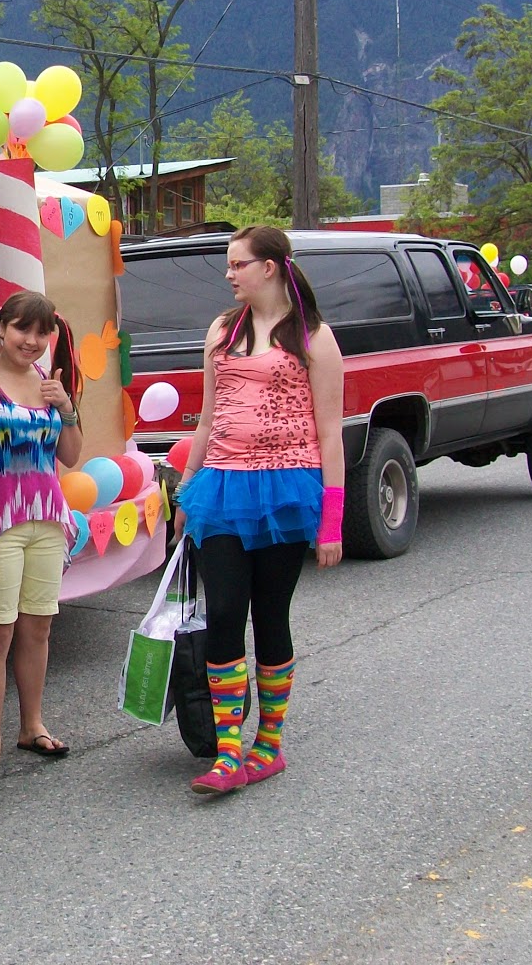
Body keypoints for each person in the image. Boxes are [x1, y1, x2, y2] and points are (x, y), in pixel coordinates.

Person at [171, 226, 345, 796]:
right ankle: (227, 751)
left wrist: (332, 521)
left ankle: (268, 745)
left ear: (270, 267)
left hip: (287, 491)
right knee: (223, 612)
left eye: (238, 263)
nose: (229, 273)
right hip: (221, 488)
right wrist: (187, 487)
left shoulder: (315, 338)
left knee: (270, 616)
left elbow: (329, 432)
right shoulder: (222, 331)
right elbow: (206, 416)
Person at [0, 291, 83, 777]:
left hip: (45, 517)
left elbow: (72, 456)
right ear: (0, 329)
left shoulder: (48, 382)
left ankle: (31, 725)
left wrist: (67, 408)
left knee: (38, 628)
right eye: (23, 330)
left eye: (42, 333)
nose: (33, 341)